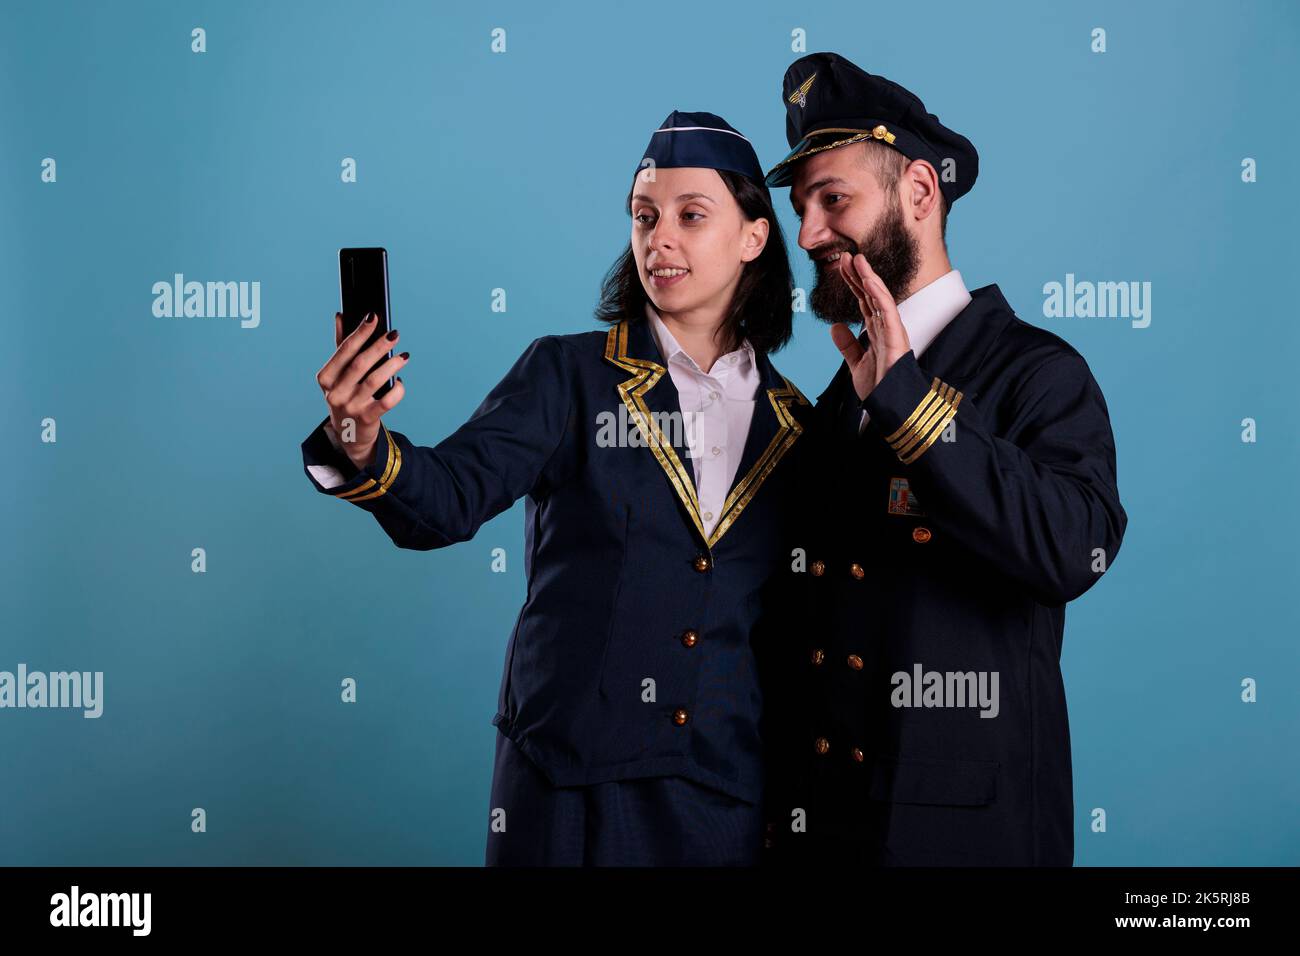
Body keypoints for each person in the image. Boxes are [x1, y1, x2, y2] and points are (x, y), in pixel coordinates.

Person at [300, 111, 813, 866]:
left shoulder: (797, 425)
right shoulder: (568, 374)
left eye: (690, 216)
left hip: (721, 802)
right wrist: (360, 437)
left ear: (754, 237)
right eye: (644, 216)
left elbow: (795, 636)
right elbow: (444, 502)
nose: (657, 238)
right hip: (566, 791)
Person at [760, 52, 1128, 865]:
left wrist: (909, 403)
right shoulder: (833, 400)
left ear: (920, 193)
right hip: (823, 835)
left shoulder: (1039, 370)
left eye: (833, 200)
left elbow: (1076, 547)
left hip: (960, 837)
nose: (810, 233)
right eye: (801, 210)